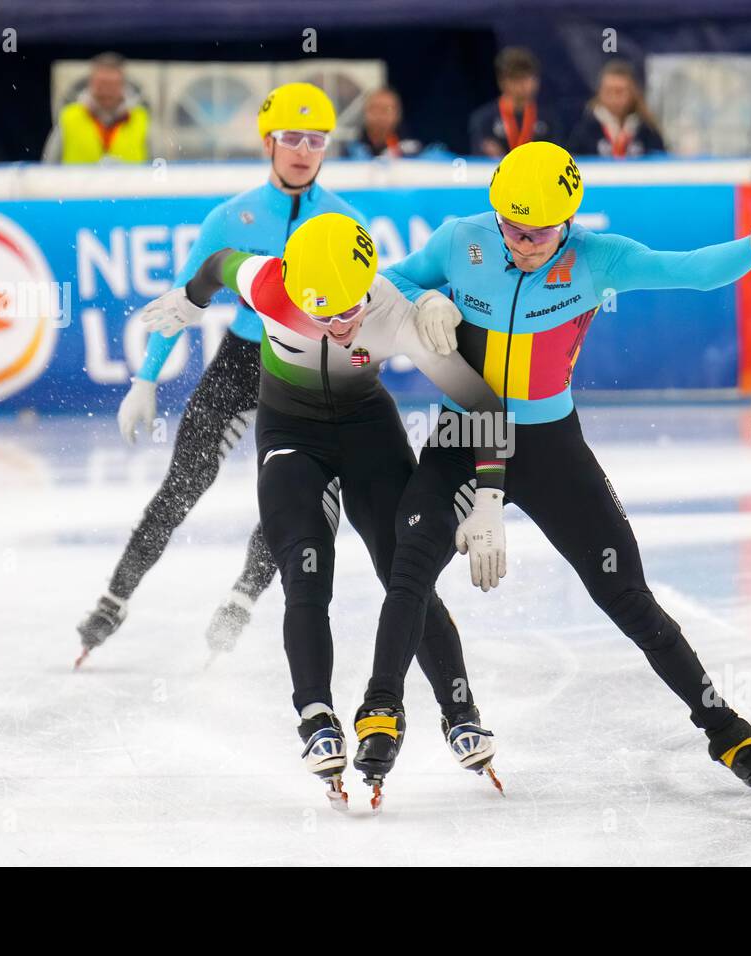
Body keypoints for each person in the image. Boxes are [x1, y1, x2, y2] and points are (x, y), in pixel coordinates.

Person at [352, 141, 751, 798]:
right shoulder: (463, 241)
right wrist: (422, 299)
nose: (520, 243)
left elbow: (692, 271)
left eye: (536, 234)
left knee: (625, 596)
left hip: (548, 449)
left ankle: (727, 731)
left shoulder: (598, 259)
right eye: (510, 227)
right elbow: (388, 278)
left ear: (567, 220)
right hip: (463, 433)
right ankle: (381, 713)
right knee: (408, 566)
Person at [137, 213, 511, 807]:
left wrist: (490, 495)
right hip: (291, 433)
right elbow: (217, 264)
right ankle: (315, 718)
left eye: (350, 310)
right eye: (324, 316)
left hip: (369, 433)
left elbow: (484, 403)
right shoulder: (267, 284)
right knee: (305, 570)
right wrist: (190, 299)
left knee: (402, 572)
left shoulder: (388, 309)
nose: (342, 327)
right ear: (294, 291)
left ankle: (459, 710)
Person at [74, 83, 359, 662]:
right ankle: (114, 597)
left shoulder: (344, 222)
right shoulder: (230, 218)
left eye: (317, 140)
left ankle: (243, 598)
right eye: (291, 139)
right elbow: (180, 303)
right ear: (267, 143)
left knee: (292, 499)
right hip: (240, 360)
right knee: (182, 486)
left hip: (305, 370)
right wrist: (145, 380)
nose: (304, 151)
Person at [43, 53, 151, 164]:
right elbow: (49, 166)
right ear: (91, 84)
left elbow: (157, 167)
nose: (106, 91)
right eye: (101, 85)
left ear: (123, 86)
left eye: (112, 85)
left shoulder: (142, 120)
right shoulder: (69, 118)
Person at [565, 59, 666, 158]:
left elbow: (661, 161)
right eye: (608, 91)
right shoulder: (586, 129)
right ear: (600, 93)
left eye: (619, 91)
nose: (614, 98)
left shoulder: (646, 130)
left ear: (632, 93)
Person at [468, 47, 558, 158]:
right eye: (518, 79)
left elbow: (556, 158)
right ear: (502, 81)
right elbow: (478, 163)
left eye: (529, 78)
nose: (525, 85)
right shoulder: (484, 120)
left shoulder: (548, 119)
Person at [346, 87, 422, 159]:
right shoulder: (350, 151)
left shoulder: (411, 150)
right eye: (375, 108)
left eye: (387, 109)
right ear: (365, 112)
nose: (380, 115)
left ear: (398, 114)